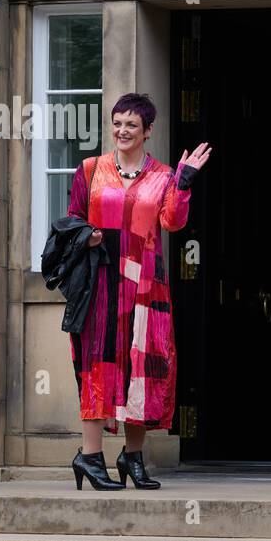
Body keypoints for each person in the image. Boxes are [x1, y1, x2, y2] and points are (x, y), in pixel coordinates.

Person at [66, 92, 210, 490]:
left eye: (131, 124)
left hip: (147, 286)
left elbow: (172, 223)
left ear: (148, 131)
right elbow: (71, 219)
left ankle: (132, 458)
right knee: (98, 364)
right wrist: (86, 237)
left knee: (143, 368)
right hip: (101, 283)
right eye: (117, 122)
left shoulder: (164, 175)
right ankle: (89, 456)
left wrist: (183, 182)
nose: (122, 130)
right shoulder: (90, 169)